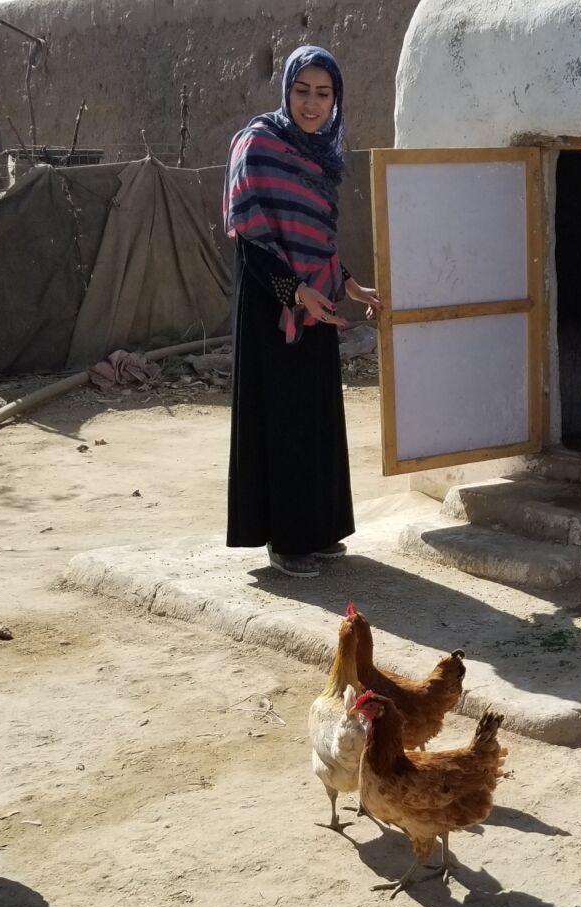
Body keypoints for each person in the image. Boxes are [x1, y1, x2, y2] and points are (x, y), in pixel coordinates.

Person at [222, 45, 381, 578]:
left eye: (323, 93)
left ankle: (317, 529)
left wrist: (349, 285)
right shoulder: (258, 144)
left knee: (315, 416)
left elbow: (319, 240)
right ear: (285, 90)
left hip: (318, 304)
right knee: (283, 418)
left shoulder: (321, 154)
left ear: (336, 99)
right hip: (272, 304)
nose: (312, 105)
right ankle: (286, 541)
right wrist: (293, 292)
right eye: (302, 92)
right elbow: (250, 237)